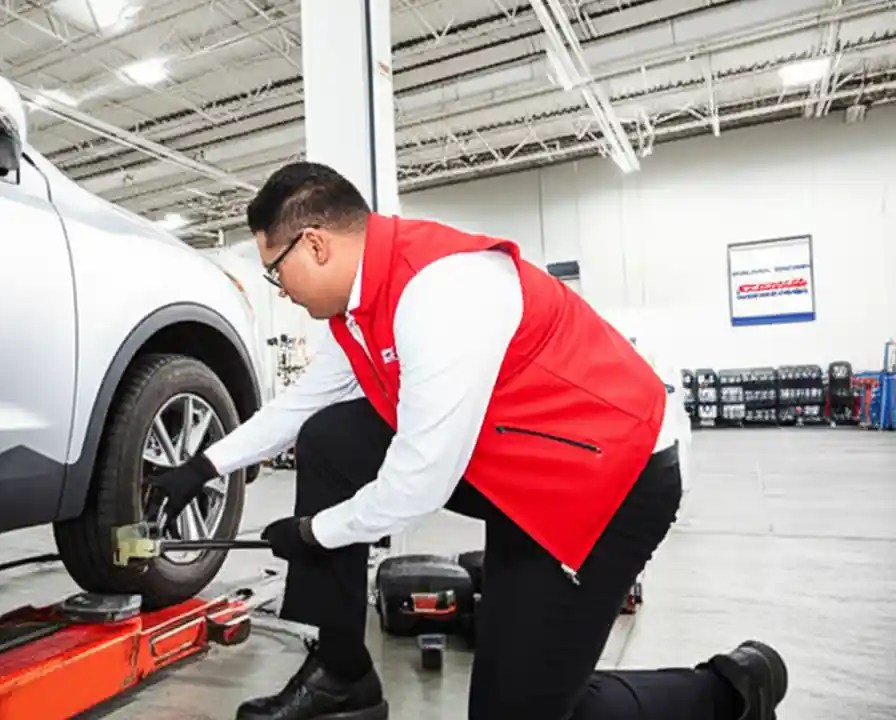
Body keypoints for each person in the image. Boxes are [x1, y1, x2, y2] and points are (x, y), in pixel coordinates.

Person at [147, 162, 787, 720]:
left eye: (274, 273)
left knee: (519, 713)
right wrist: (204, 465)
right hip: (522, 472)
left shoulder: (439, 291)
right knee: (333, 437)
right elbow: (300, 407)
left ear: (313, 245)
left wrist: (314, 533)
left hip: (605, 484)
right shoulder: (360, 311)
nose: (280, 291)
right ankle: (343, 674)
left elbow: (417, 484)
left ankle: (729, 690)